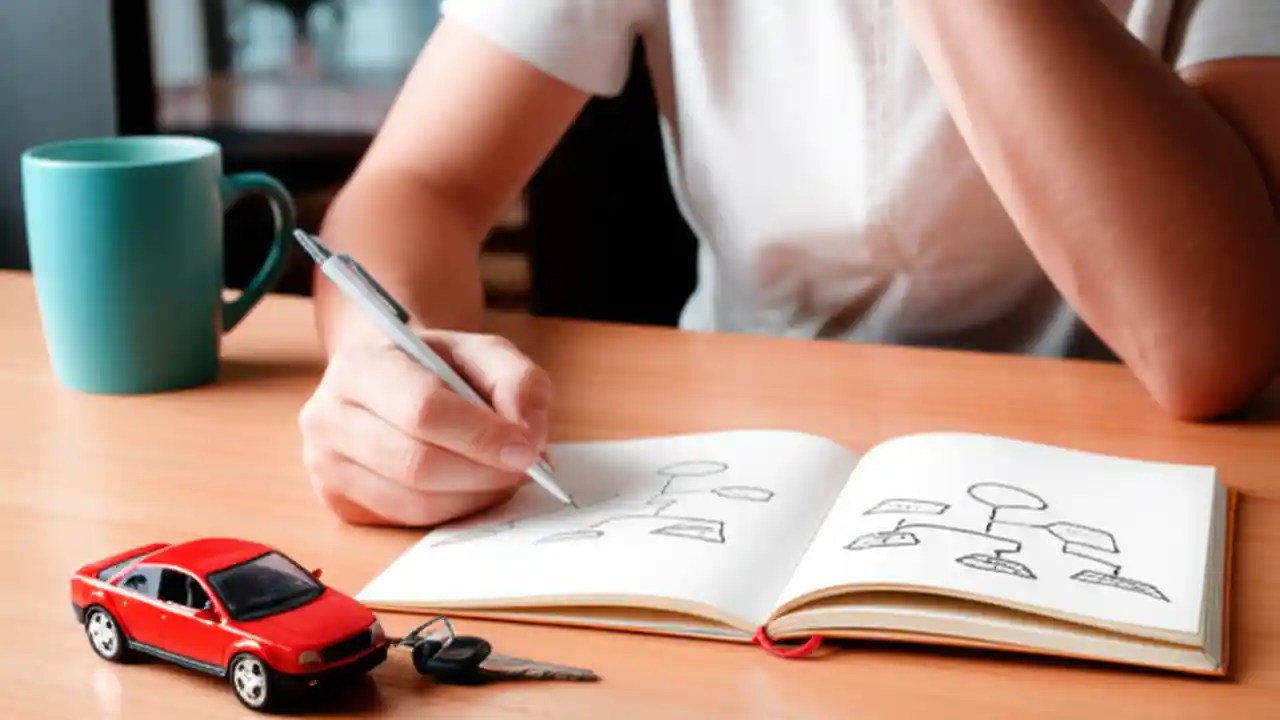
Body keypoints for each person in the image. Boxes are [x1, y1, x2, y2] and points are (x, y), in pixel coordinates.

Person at [298, 1, 1280, 527]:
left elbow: (1209, 342)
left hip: (1122, 478)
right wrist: (392, 358)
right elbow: (412, 187)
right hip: (738, 468)